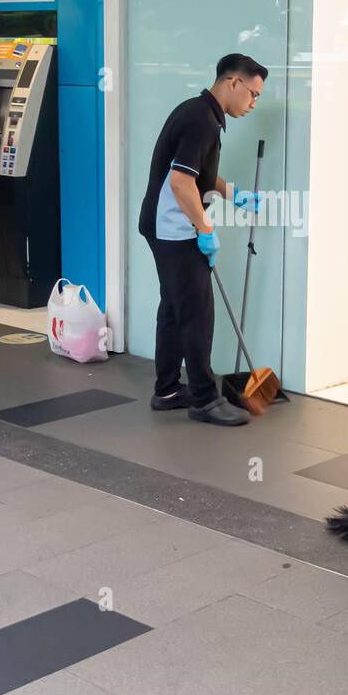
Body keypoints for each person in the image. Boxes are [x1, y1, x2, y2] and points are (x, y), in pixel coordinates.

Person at [138, 53, 266, 426]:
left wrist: (233, 193)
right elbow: (180, 183)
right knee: (197, 311)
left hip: (161, 225)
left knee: (176, 307)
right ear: (233, 82)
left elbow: (195, 174)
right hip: (173, 229)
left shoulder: (199, 113)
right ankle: (205, 400)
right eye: (253, 94)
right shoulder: (202, 121)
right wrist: (205, 231)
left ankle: (167, 390)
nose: (254, 103)